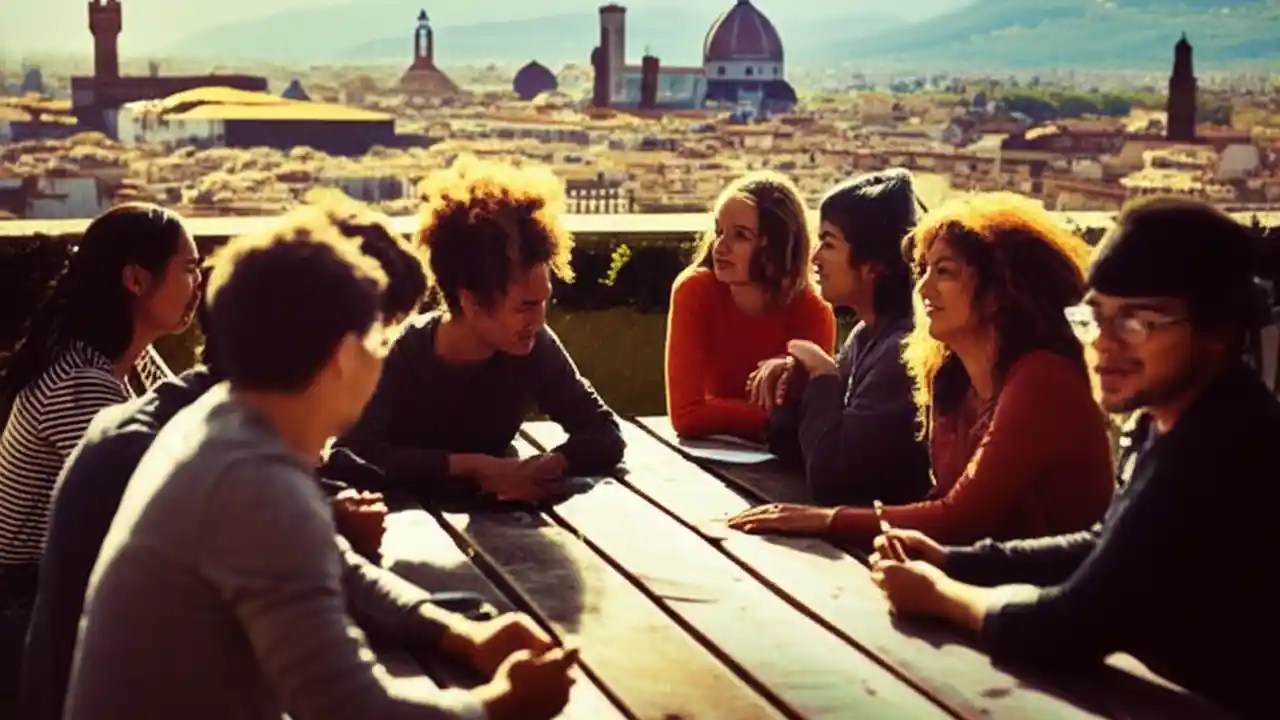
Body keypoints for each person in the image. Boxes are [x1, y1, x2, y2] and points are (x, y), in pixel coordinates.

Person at [65, 213, 578, 720]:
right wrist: (501, 706)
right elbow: (347, 707)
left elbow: (337, 566)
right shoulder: (253, 481)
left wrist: (463, 635)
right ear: (344, 356)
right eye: (381, 344)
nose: (384, 364)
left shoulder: (223, 420)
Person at [869, 198, 1280, 719]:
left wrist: (943, 596)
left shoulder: (1221, 448)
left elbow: (1071, 625)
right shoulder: (1177, 419)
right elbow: (1103, 543)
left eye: (1136, 321)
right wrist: (955, 560)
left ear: (1218, 331)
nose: (1103, 344)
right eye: (1096, 317)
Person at [729, 193, 1114, 545]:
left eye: (944, 271)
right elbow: (940, 504)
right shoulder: (949, 376)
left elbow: (960, 516)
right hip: (985, 578)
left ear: (1001, 290)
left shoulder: (1042, 380)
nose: (924, 289)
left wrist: (827, 521)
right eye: (923, 269)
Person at [331, 158, 624, 504]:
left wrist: (547, 466)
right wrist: (474, 467)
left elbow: (604, 432)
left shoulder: (534, 347)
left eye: (544, 302)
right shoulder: (395, 353)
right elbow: (351, 457)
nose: (540, 320)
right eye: (525, 307)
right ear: (471, 303)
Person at [0, 203, 200, 697]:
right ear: (136, 279)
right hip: (28, 606)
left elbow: (194, 435)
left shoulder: (129, 358)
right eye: (189, 269)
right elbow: (156, 502)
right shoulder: (81, 382)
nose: (199, 283)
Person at [759, 169, 931, 505]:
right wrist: (796, 390)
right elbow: (795, 449)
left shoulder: (900, 353)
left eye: (828, 243)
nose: (815, 259)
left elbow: (832, 480)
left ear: (873, 265)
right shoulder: (866, 336)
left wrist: (823, 374)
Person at [665, 170, 836, 441]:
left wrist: (717, 413)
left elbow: (810, 420)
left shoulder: (813, 313)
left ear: (775, 247)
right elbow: (686, 415)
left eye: (740, 236)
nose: (720, 246)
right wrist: (772, 419)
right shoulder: (695, 291)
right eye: (719, 231)